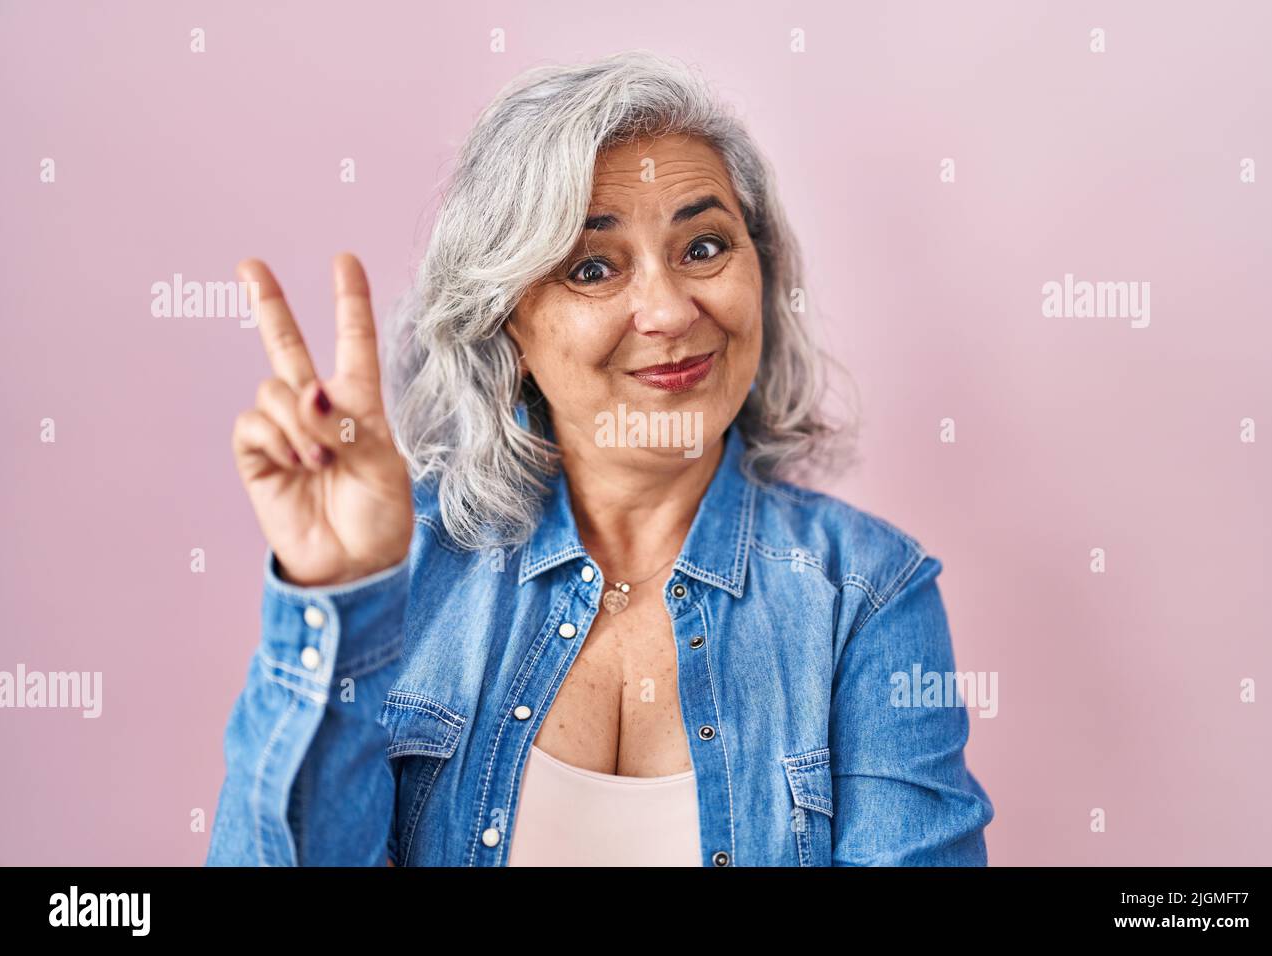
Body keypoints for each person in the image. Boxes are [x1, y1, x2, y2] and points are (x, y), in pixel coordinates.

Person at [205, 50, 993, 867]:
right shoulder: (406, 574)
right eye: (592, 267)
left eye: (703, 247)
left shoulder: (864, 594)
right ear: (509, 321)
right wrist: (340, 601)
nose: (668, 309)